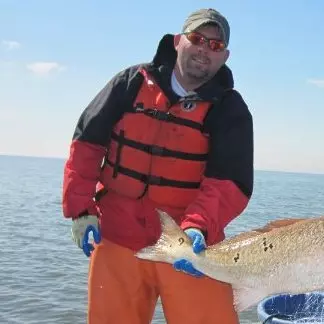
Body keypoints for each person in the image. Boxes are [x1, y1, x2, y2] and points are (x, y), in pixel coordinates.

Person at [62, 7, 254, 324]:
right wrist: (80, 210)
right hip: (118, 238)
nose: (205, 49)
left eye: (215, 46)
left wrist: (197, 227)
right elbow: (86, 144)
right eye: (197, 39)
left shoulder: (230, 109)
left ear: (225, 56)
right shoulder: (129, 83)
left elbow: (229, 183)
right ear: (178, 41)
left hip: (191, 246)